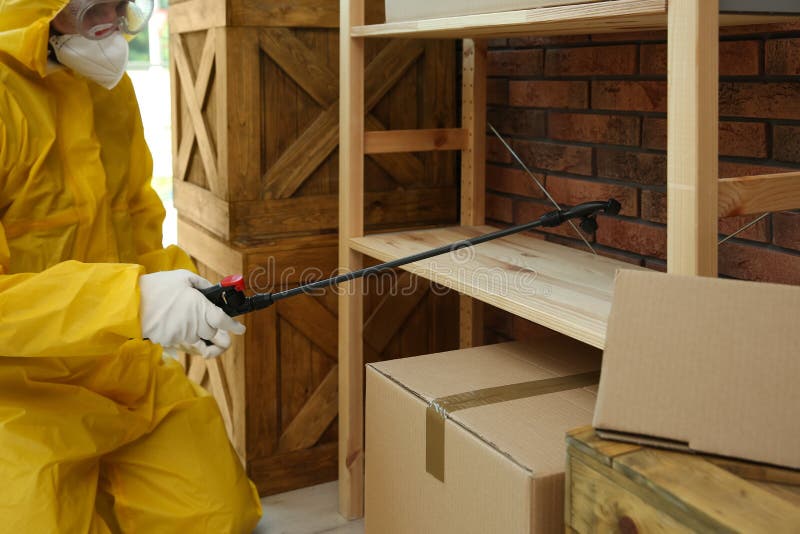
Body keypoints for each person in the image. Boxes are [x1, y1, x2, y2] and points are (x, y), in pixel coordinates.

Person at [0, 0, 262, 531]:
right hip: (18, 391)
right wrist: (134, 302)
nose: (114, 25)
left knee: (219, 514)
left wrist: (184, 289)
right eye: (97, 7)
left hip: (122, 374)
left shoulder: (110, 90)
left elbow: (135, 228)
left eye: (124, 7)